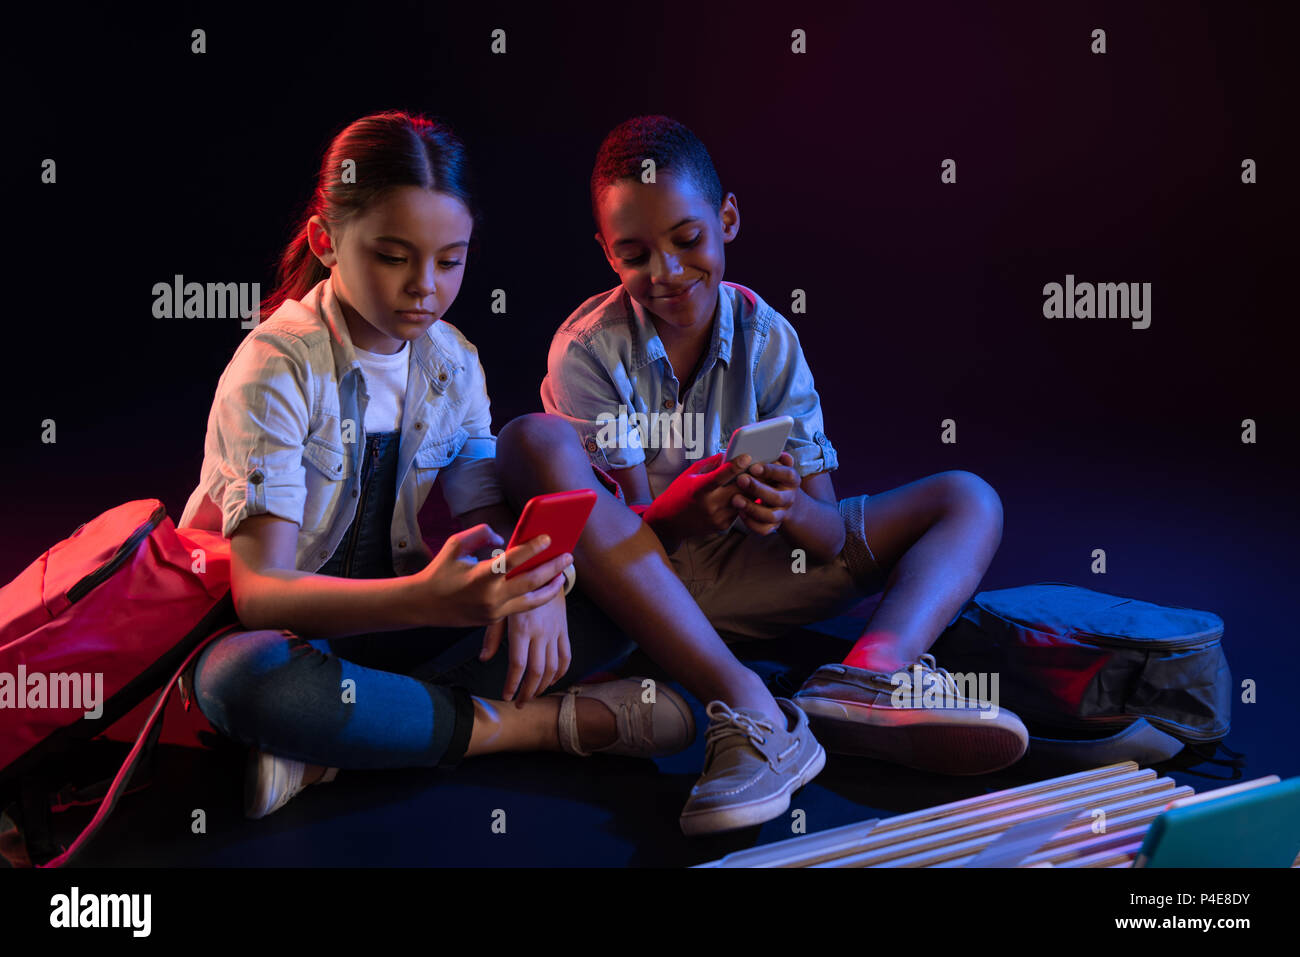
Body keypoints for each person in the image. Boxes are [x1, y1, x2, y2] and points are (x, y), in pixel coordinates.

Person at [178, 111, 695, 821]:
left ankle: (339, 741)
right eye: (393, 256)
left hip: (387, 626)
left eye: (449, 260)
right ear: (325, 242)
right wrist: (428, 595)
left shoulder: (454, 361)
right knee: (242, 680)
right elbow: (260, 592)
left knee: (613, 608)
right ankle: (542, 726)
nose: (425, 285)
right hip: (287, 632)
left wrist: (533, 587)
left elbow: (493, 516)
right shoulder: (276, 366)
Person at [537, 115, 1031, 801]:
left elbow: (827, 535)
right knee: (540, 452)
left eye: (687, 239)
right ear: (607, 254)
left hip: (754, 575)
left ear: (728, 218)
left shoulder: (768, 340)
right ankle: (740, 697)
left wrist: (789, 505)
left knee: (968, 496)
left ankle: (872, 673)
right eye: (636, 254)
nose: (669, 272)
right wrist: (678, 516)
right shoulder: (588, 351)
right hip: (639, 591)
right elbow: (607, 538)